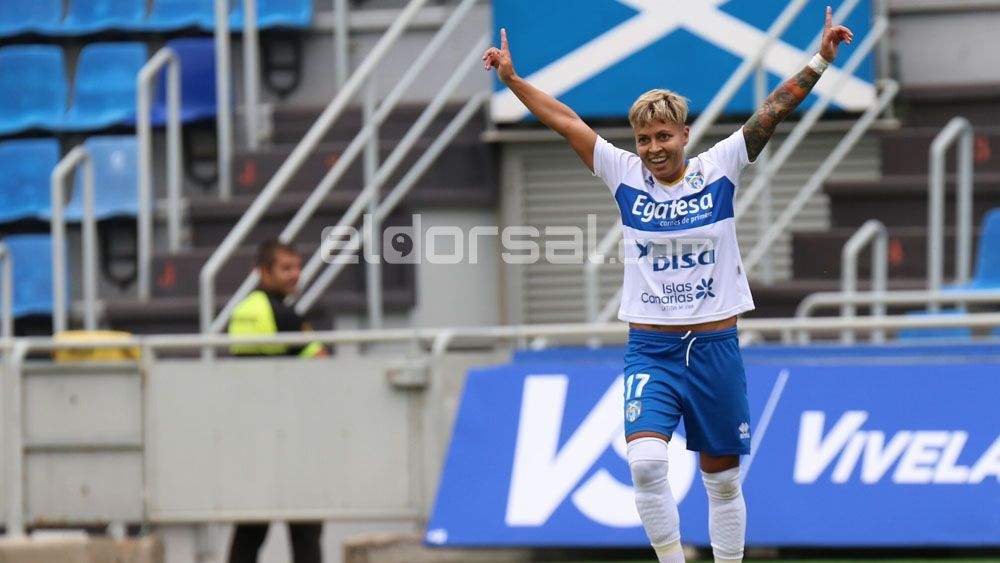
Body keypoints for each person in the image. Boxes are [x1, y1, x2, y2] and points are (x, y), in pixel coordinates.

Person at [483, 8, 853, 563]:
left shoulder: (721, 165)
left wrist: (821, 57)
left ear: (683, 133)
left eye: (662, 136)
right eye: (643, 139)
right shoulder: (623, 173)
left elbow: (775, 108)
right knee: (647, 464)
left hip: (714, 348)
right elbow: (566, 121)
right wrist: (512, 81)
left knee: (722, 481)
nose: (653, 148)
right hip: (651, 350)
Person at [227, 239, 327, 563]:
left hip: (252, 435)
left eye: (297, 267)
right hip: (290, 434)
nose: (294, 274)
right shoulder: (284, 315)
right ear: (262, 272)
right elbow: (321, 360)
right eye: (285, 268)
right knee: (305, 528)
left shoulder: (241, 312)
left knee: (250, 528)